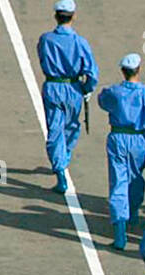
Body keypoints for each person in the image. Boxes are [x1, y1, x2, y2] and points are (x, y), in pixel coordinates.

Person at [97, 54, 145, 249]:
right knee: (135, 177)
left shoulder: (114, 92)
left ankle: (120, 230)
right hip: (138, 138)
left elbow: (103, 101)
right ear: (139, 70)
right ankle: (133, 213)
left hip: (118, 136)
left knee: (119, 180)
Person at [36, 0, 98, 193]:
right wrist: (87, 88)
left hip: (53, 85)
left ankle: (60, 163)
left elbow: (42, 58)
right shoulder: (80, 42)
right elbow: (92, 71)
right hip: (73, 88)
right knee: (70, 127)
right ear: (74, 16)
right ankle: (62, 164)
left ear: (56, 16)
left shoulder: (46, 39)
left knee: (56, 129)